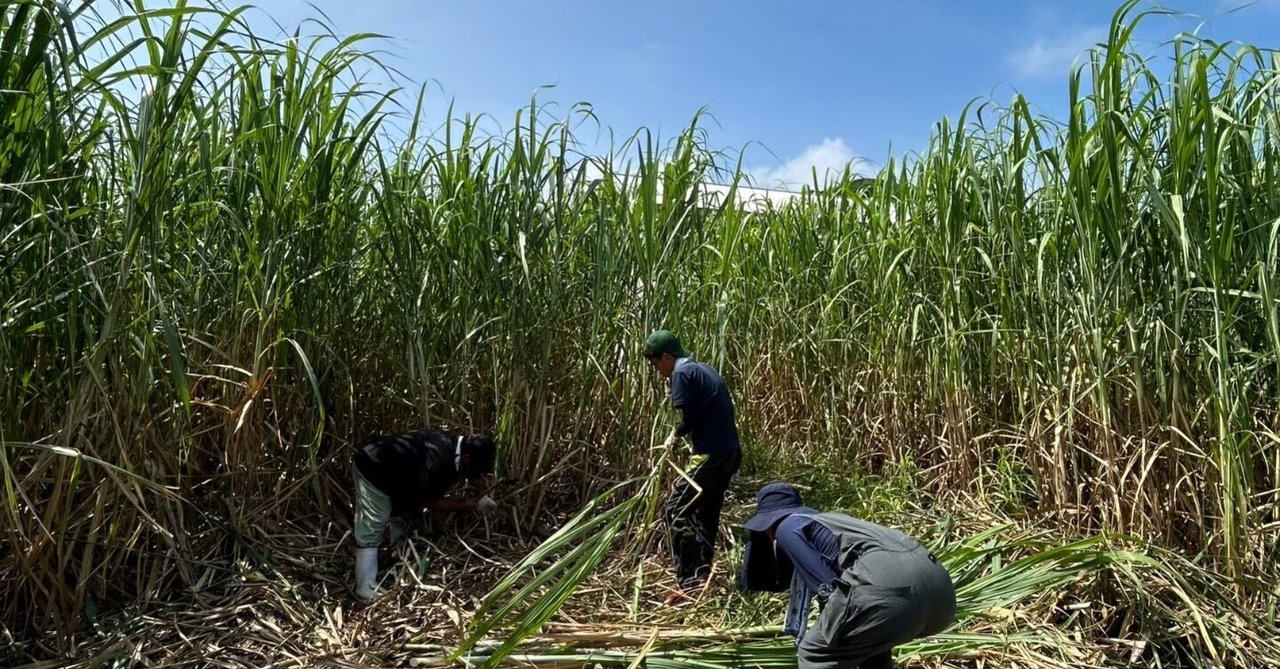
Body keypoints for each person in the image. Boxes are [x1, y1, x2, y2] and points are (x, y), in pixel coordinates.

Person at [740, 482, 956, 669]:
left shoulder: (786, 527)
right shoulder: (833, 522)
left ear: (767, 524)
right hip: (940, 593)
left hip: (888, 590)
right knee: (870, 647)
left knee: (814, 652)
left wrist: (828, 632)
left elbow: (828, 590)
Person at [643, 329, 742, 603]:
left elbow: (692, 418)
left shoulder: (681, 375)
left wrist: (674, 435)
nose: (657, 369)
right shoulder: (705, 369)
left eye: (655, 363)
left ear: (666, 357)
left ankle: (687, 582)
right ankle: (701, 577)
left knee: (675, 510)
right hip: (730, 452)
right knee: (705, 512)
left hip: (710, 453)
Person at [352, 428, 499, 600]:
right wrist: (462, 505)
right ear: (467, 459)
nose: (478, 475)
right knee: (374, 522)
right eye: (477, 470)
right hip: (373, 467)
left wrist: (474, 488)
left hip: (396, 473)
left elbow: (422, 494)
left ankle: (397, 556)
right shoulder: (440, 460)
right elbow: (429, 502)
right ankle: (364, 586)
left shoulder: (452, 447)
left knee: (404, 509)